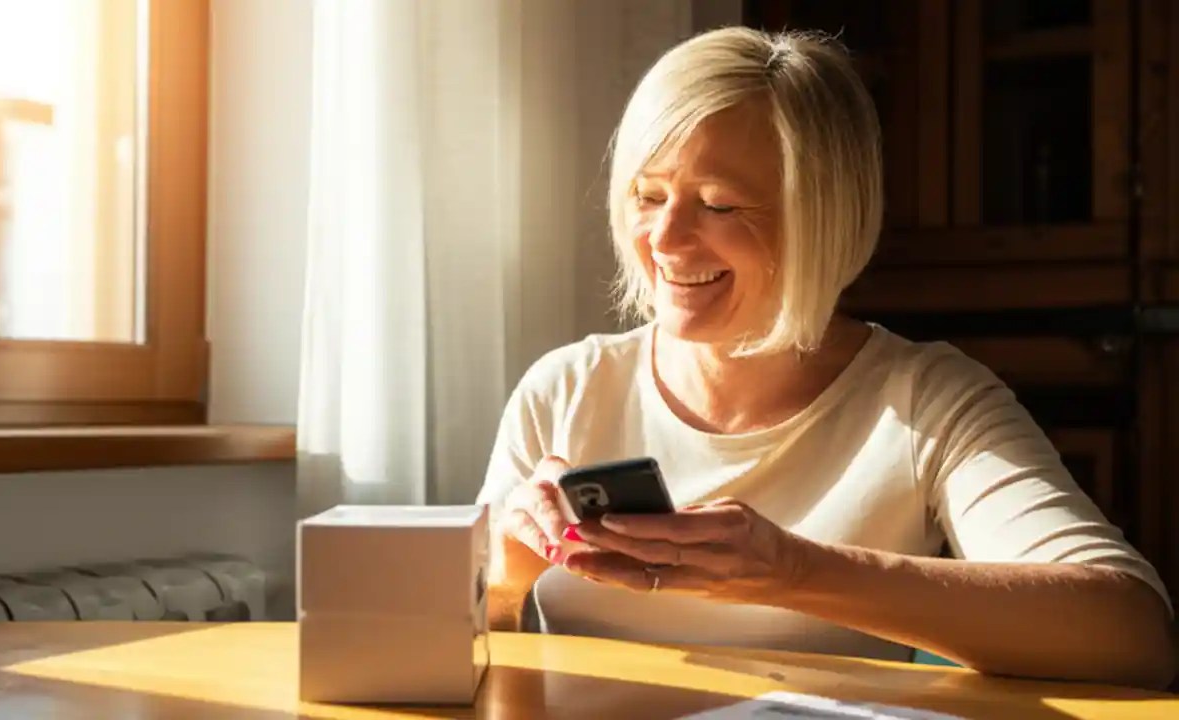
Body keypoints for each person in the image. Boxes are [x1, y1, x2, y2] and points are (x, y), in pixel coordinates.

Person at [475, 27, 1175, 689]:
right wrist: (504, 578)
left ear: (822, 220)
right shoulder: (566, 388)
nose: (665, 238)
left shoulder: (925, 401)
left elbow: (1132, 636)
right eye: (649, 196)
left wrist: (792, 571)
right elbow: (450, 641)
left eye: (719, 205)